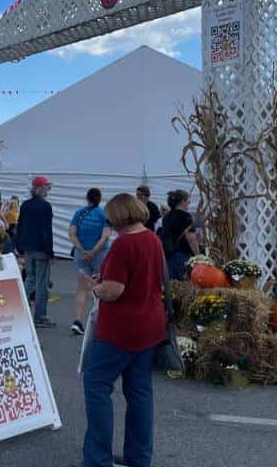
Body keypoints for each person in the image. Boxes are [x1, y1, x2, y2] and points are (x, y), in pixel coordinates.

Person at [82, 193, 165, 467]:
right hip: (150, 325)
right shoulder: (152, 238)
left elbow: (114, 291)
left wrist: (96, 287)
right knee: (140, 392)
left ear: (118, 217)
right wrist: (106, 280)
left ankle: (97, 458)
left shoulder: (123, 245)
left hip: (121, 329)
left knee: (96, 384)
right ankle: (139, 457)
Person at [69, 188, 112, 336]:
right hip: (100, 254)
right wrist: (94, 251)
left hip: (81, 254)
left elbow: (72, 234)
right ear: (100, 199)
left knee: (82, 288)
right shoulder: (104, 215)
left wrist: (82, 250)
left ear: (86, 198)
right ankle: (100, 321)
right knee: (100, 286)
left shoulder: (79, 213)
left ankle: (77, 320)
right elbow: (105, 236)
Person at [17, 175, 55, 328]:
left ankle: (22, 312)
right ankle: (40, 316)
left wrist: (20, 248)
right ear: (40, 188)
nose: (48, 190)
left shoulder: (25, 205)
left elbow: (21, 226)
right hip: (41, 249)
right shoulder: (46, 206)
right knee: (41, 284)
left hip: (28, 248)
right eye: (47, 187)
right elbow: (47, 230)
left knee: (29, 280)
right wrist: (50, 252)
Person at [159, 189, 198, 280]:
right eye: (188, 200)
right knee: (184, 284)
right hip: (183, 255)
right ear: (182, 201)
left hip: (169, 255)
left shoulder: (166, 217)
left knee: (173, 285)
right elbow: (191, 238)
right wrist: (198, 255)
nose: (189, 202)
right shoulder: (185, 216)